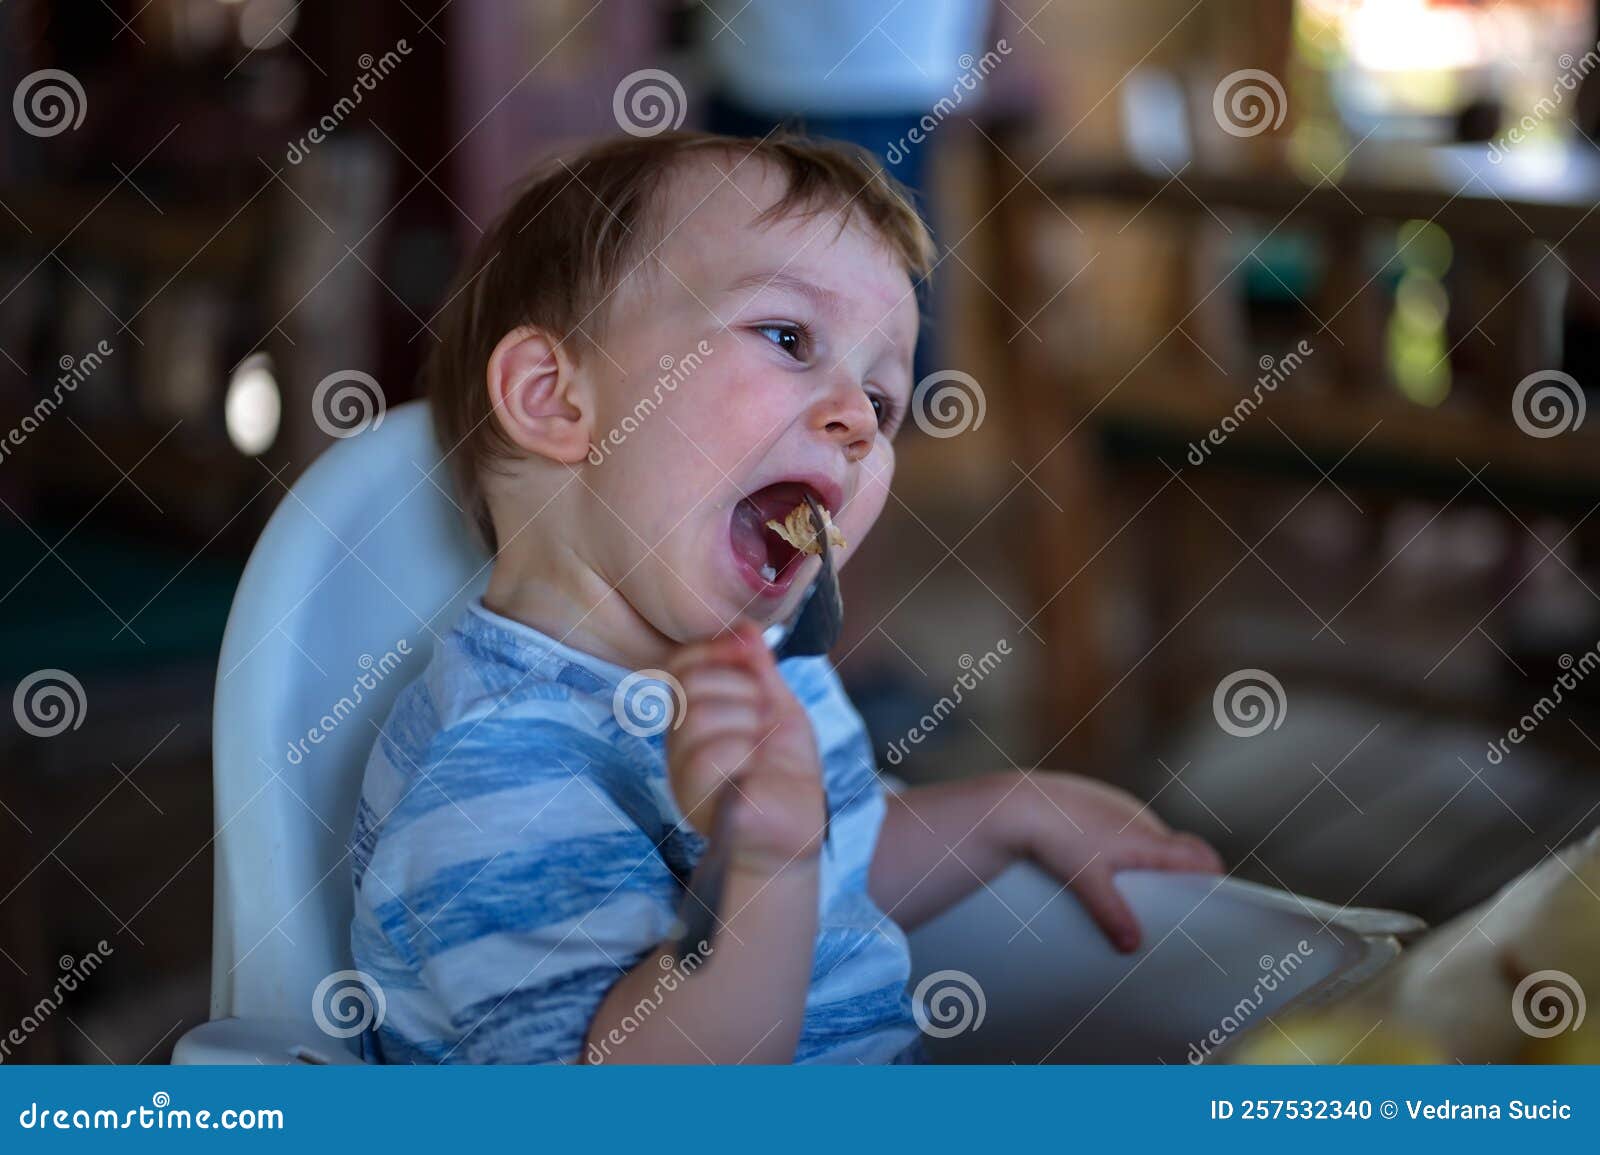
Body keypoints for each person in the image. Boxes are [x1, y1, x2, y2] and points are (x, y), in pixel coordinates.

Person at [347, 131, 1222, 1064]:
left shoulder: (772, 674)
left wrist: (1009, 811)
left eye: (884, 402)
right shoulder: (500, 774)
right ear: (556, 400)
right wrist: (763, 873)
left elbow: (833, 881)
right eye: (787, 337)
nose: (855, 421)